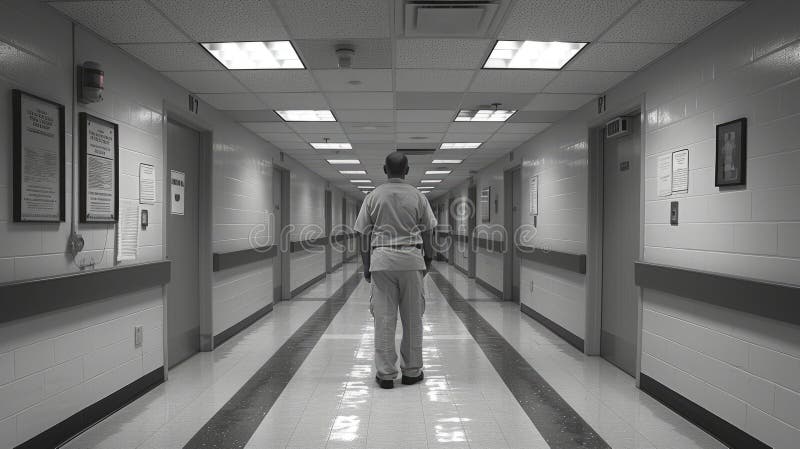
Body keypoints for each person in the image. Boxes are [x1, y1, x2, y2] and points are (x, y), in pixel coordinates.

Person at [354, 151, 437, 389]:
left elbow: (362, 234)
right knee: (413, 319)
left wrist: (366, 264)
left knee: (384, 319)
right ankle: (411, 372)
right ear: (408, 170)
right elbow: (428, 232)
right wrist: (428, 258)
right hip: (411, 261)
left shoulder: (373, 197)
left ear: (384, 169)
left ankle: (386, 374)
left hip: (382, 260)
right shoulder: (418, 197)